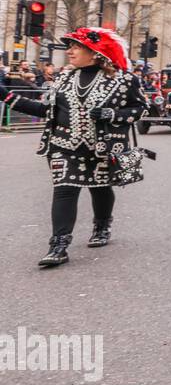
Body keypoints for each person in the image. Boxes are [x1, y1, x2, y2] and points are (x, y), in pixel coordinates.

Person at [2, 28, 148, 267]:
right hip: (63, 145)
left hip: (103, 146)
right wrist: (5, 96)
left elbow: (141, 109)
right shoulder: (63, 79)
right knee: (64, 190)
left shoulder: (124, 80)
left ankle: (102, 226)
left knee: (100, 188)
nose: (69, 51)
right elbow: (45, 111)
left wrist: (112, 113)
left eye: (75, 47)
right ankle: (58, 245)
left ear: (95, 52)